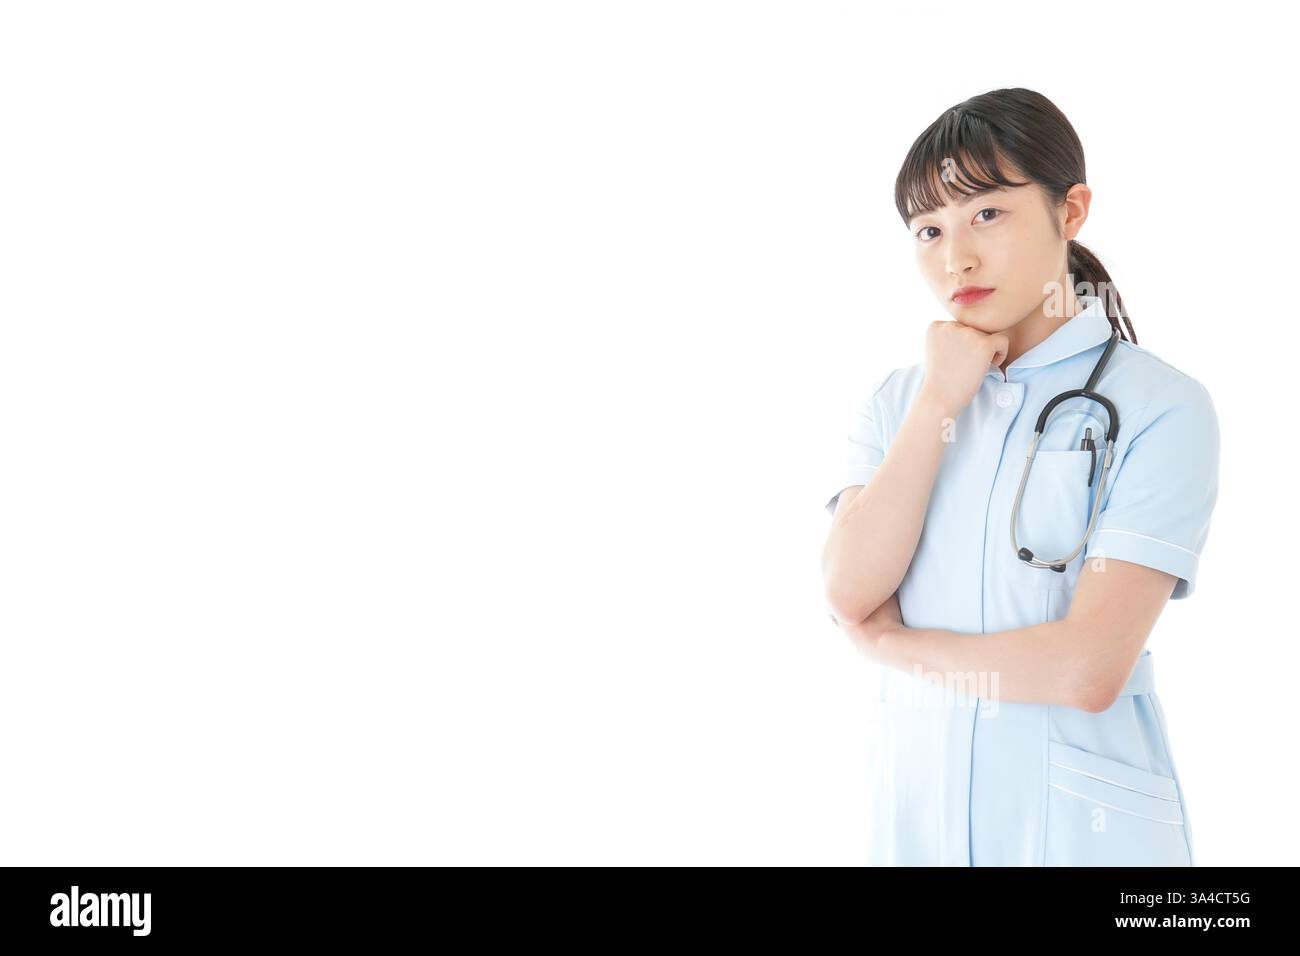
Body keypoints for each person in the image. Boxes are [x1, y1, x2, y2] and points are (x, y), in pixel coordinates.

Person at [820, 87, 1220, 866]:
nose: (955, 257)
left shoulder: (1161, 407)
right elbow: (848, 591)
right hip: (913, 818)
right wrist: (941, 396)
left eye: (988, 215)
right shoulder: (900, 401)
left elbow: (1086, 667)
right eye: (928, 229)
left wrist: (891, 648)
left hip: (1082, 832)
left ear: (1071, 210)